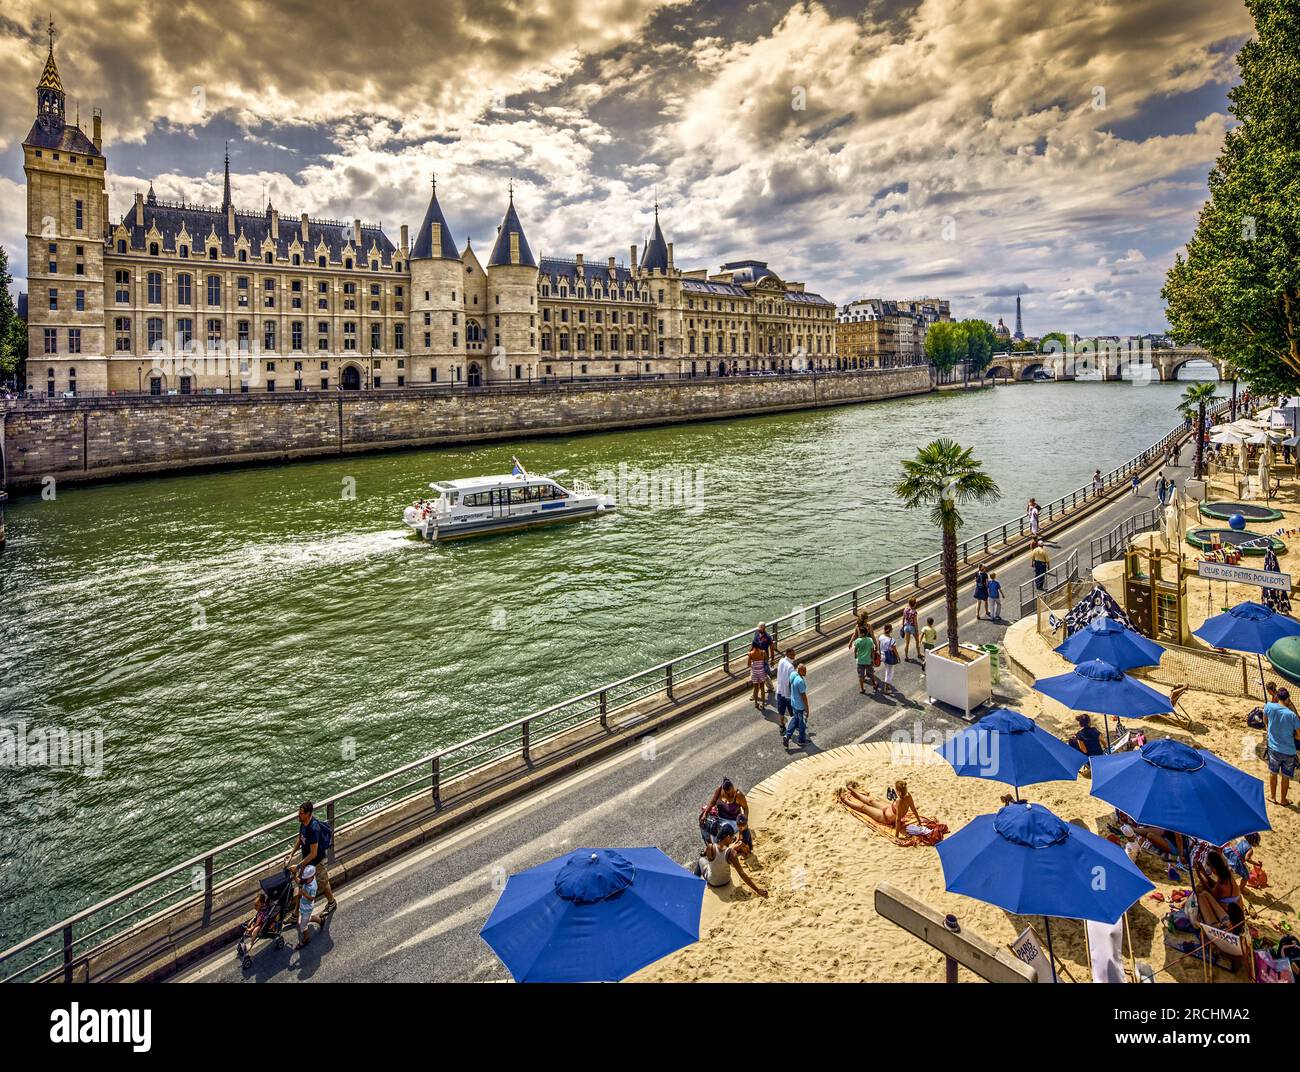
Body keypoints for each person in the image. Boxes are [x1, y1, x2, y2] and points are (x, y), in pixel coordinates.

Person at [291, 801, 338, 915]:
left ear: (308, 814)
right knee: (302, 886)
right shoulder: (303, 823)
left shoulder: (313, 829)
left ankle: (331, 902)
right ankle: (296, 914)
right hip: (306, 862)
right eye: (299, 812)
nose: (299, 814)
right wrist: (292, 853)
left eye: (301, 813)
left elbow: (313, 853)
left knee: (322, 884)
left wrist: (297, 866)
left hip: (315, 863)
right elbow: (301, 838)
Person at [694, 830, 768, 897]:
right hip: (726, 880)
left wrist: (704, 852)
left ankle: (694, 885)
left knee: (701, 860)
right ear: (727, 837)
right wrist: (757, 890)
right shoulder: (731, 853)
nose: (733, 839)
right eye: (732, 837)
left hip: (713, 882)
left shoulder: (710, 847)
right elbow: (742, 874)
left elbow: (703, 854)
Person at [839, 779, 919, 841]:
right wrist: (919, 821)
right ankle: (853, 792)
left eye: (896, 790)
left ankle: (845, 800)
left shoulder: (899, 802)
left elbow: (897, 820)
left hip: (885, 818)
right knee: (871, 801)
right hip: (887, 809)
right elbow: (913, 809)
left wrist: (896, 836)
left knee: (864, 807)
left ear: (899, 792)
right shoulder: (908, 796)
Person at [1263, 686, 1299, 804]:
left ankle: (1273, 797)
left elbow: (1265, 720)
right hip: (1289, 750)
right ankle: (1283, 799)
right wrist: (1292, 735)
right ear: (1287, 699)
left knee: (1273, 773)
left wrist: (1269, 730)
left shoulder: (1269, 706)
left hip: (1273, 748)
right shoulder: (1292, 715)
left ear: (1277, 697)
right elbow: (1299, 736)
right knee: (1285, 776)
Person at [783, 662, 809, 748]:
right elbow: (804, 697)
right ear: (800, 671)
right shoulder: (800, 681)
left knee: (795, 719)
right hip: (800, 706)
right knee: (802, 723)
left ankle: (787, 735)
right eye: (804, 670)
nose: (806, 672)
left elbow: (789, 685)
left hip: (793, 703)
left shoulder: (793, 674)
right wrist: (807, 709)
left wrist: (792, 695)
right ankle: (801, 740)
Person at [296, 864, 318, 947]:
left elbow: (312, 898)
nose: (304, 881)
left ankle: (306, 938)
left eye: (306, 879)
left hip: (307, 908)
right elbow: (299, 881)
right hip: (303, 905)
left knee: (302, 926)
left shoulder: (312, 887)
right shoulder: (308, 880)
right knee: (305, 919)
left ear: (312, 877)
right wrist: (294, 875)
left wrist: (304, 894)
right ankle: (319, 920)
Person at [851, 622, 877, 694]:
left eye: (860, 632)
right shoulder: (870, 640)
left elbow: (855, 649)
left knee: (861, 676)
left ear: (862, 633)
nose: (859, 633)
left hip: (860, 661)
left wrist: (855, 655)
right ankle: (874, 684)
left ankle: (862, 689)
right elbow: (872, 650)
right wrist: (873, 659)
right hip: (868, 660)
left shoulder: (858, 641)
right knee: (871, 674)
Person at [751, 623, 775, 700]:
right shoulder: (756, 633)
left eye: (760, 628)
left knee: (760, 674)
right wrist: (750, 654)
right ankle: (770, 687)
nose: (759, 629)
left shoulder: (768, 637)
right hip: (755, 658)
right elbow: (753, 645)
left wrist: (772, 659)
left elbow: (771, 648)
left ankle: (755, 694)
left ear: (764, 628)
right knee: (761, 674)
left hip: (764, 658)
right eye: (759, 628)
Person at [775, 647, 796, 734]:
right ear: (788, 654)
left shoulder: (781, 661)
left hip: (780, 691)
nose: (794, 656)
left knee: (781, 710)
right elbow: (791, 682)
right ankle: (795, 726)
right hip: (788, 693)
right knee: (795, 712)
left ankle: (782, 726)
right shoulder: (790, 667)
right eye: (792, 654)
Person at [878, 623, 899, 695]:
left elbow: (879, 646)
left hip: (883, 656)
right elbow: (895, 650)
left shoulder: (881, 637)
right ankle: (886, 688)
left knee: (887, 669)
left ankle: (888, 686)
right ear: (890, 630)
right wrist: (898, 657)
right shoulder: (892, 640)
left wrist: (880, 654)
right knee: (890, 672)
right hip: (889, 657)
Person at [747, 643, 768, 710]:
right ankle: (763, 703)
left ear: (753, 646)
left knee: (756, 688)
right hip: (761, 671)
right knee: (762, 688)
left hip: (755, 672)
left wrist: (754, 664)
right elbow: (766, 660)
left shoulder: (750, 654)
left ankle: (756, 703)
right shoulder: (763, 652)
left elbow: (748, 664)